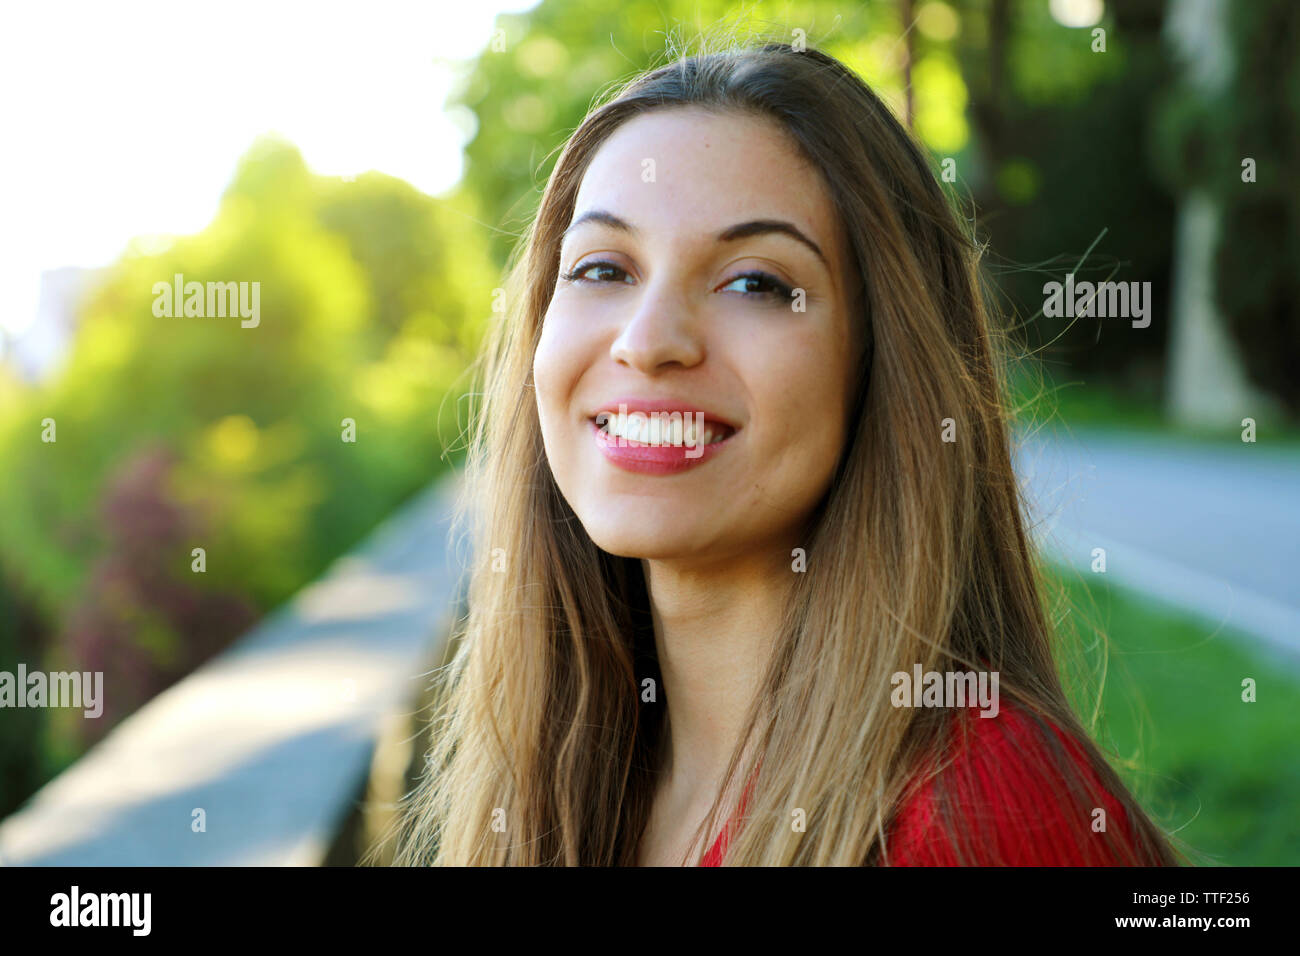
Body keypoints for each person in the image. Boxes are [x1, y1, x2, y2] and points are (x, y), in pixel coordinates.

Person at [390, 39, 1181, 866]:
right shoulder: (570, 785)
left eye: (754, 283)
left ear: (881, 363)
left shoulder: (973, 812)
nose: (649, 340)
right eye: (602, 268)